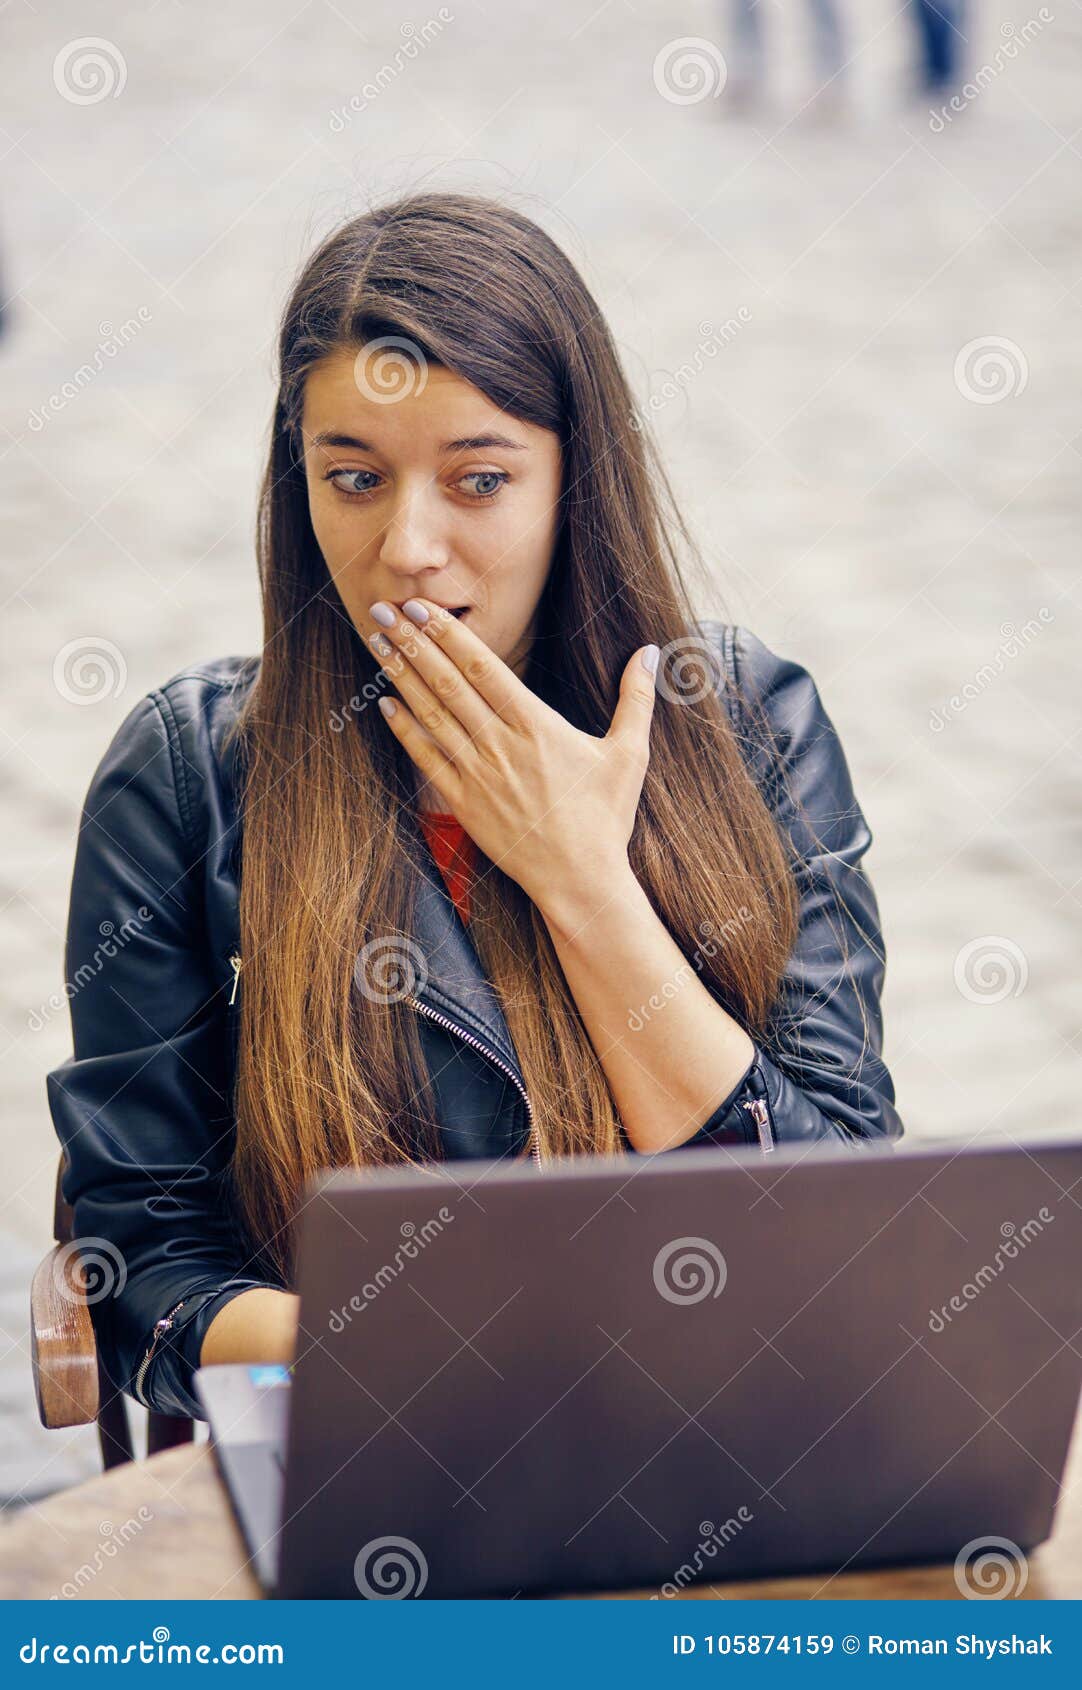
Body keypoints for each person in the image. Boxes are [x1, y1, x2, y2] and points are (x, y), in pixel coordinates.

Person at [46, 192, 904, 1423]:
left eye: (478, 480)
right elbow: (141, 1265)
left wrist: (579, 880)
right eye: (351, 478)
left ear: (573, 482)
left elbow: (832, 1228)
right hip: (368, 1453)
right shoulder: (187, 774)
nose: (406, 546)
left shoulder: (743, 727)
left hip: (730, 1435)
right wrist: (443, 1343)